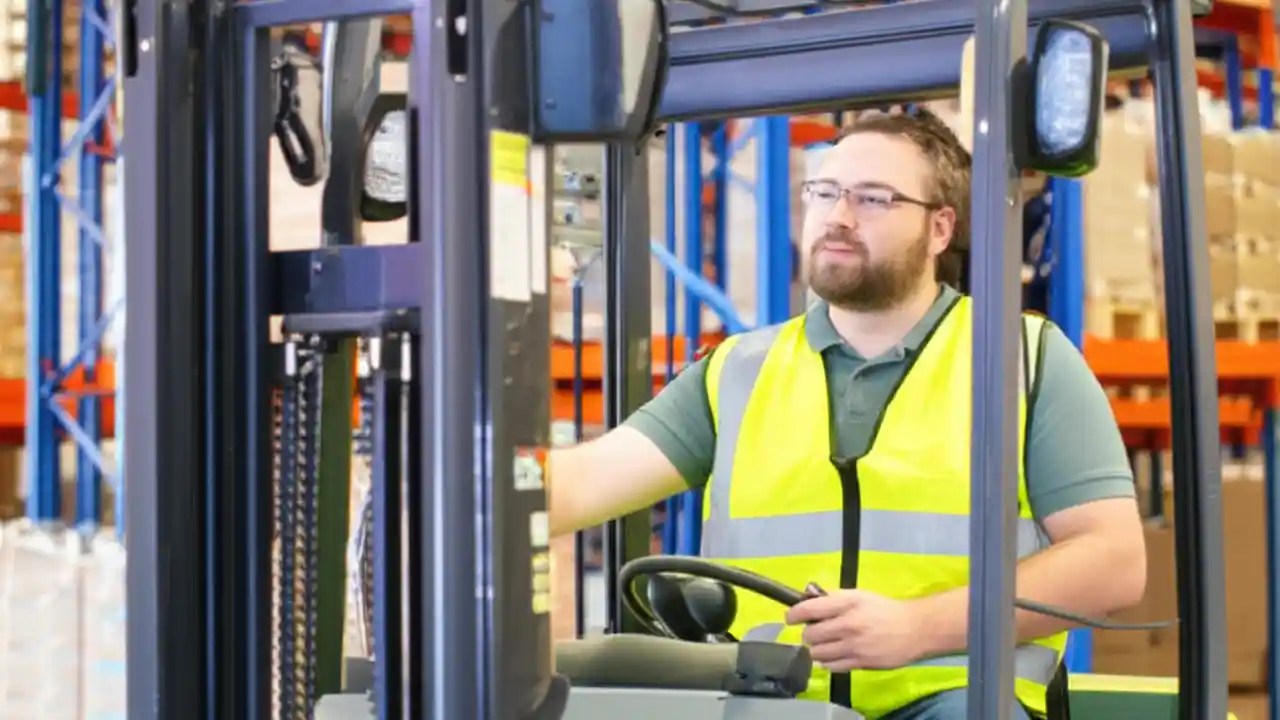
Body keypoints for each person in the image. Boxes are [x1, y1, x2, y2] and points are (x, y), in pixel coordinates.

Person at [546, 109, 1146, 720]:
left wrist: (918, 626)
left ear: (940, 229)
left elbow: (1114, 563)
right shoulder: (738, 371)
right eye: (824, 192)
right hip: (775, 704)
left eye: (874, 198)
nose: (838, 216)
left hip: (953, 701)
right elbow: (578, 484)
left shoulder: (1022, 360)